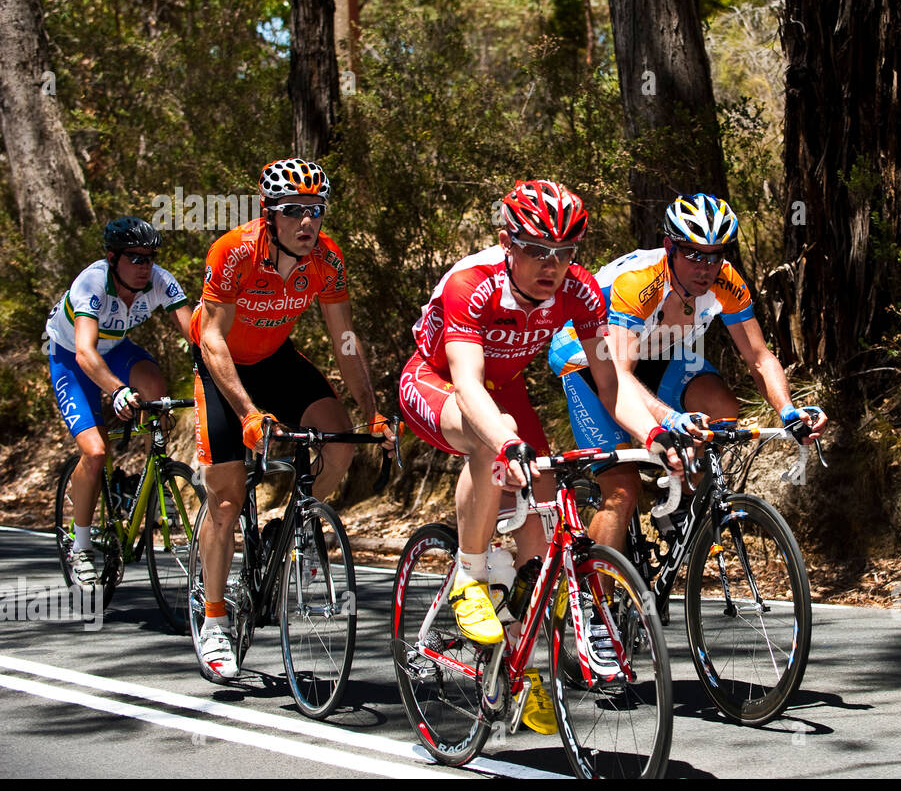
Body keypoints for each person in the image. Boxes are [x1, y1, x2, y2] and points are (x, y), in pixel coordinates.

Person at [398, 180, 689, 733]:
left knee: (543, 519)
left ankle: (519, 669)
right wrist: (507, 444)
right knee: (495, 442)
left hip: (503, 389)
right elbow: (466, 383)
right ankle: (469, 575)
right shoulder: (471, 284)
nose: (551, 265)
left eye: (564, 252)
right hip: (438, 381)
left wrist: (655, 434)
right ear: (508, 243)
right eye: (537, 250)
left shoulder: (580, 290)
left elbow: (610, 380)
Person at [191, 158, 393, 680]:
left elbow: (343, 339)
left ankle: (296, 520)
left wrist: (370, 411)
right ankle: (214, 620)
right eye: (294, 212)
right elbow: (211, 338)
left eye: (316, 211)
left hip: (277, 360)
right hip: (223, 365)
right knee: (229, 499)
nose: (307, 223)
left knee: (341, 442)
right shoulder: (235, 250)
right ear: (269, 214)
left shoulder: (327, 259)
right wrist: (249, 413)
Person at [548, 193, 828, 559]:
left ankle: (679, 501)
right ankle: (596, 605)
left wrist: (789, 412)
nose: (705, 267)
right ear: (670, 248)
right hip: (588, 356)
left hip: (656, 350)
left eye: (715, 255)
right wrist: (670, 419)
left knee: (722, 407)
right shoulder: (640, 282)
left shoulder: (727, 283)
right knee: (621, 488)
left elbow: (759, 357)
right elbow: (618, 374)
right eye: (693, 253)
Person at [46, 217, 193, 584]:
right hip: (73, 356)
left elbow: (196, 335)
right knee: (95, 452)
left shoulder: (160, 280)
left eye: (150, 257)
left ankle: (153, 482)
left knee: (157, 392)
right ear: (113, 258)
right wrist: (117, 390)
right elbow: (84, 352)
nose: (145, 266)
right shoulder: (92, 282)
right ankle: (80, 546)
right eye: (135, 258)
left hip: (116, 348)